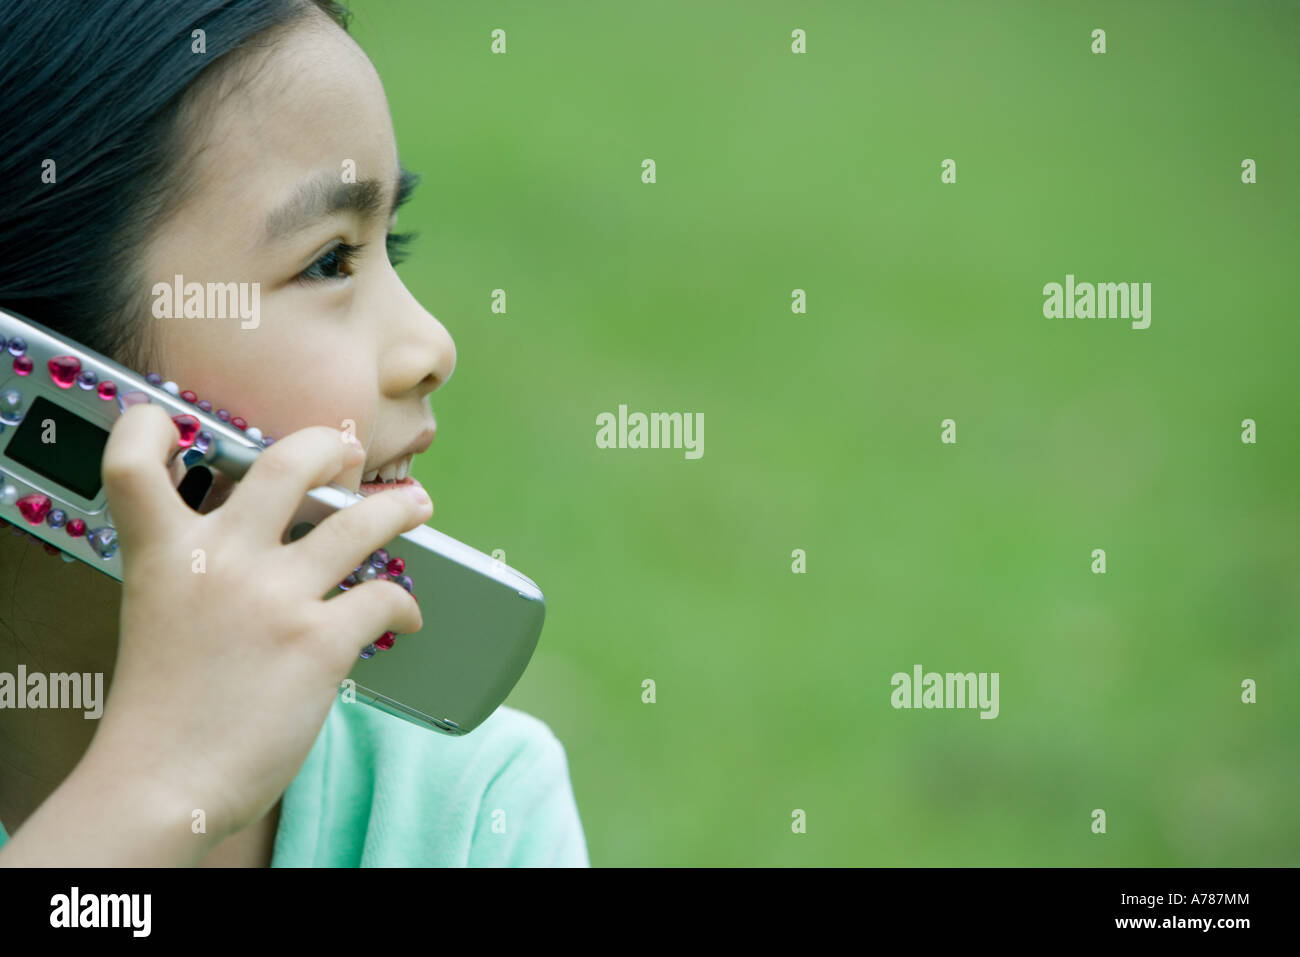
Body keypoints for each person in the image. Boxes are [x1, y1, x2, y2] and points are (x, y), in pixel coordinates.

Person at [0, 0, 589, 866]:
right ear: (38, 375)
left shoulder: (467, 806)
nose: (433, 346)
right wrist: (152, 798)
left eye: (391, 244)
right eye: (328, 261)